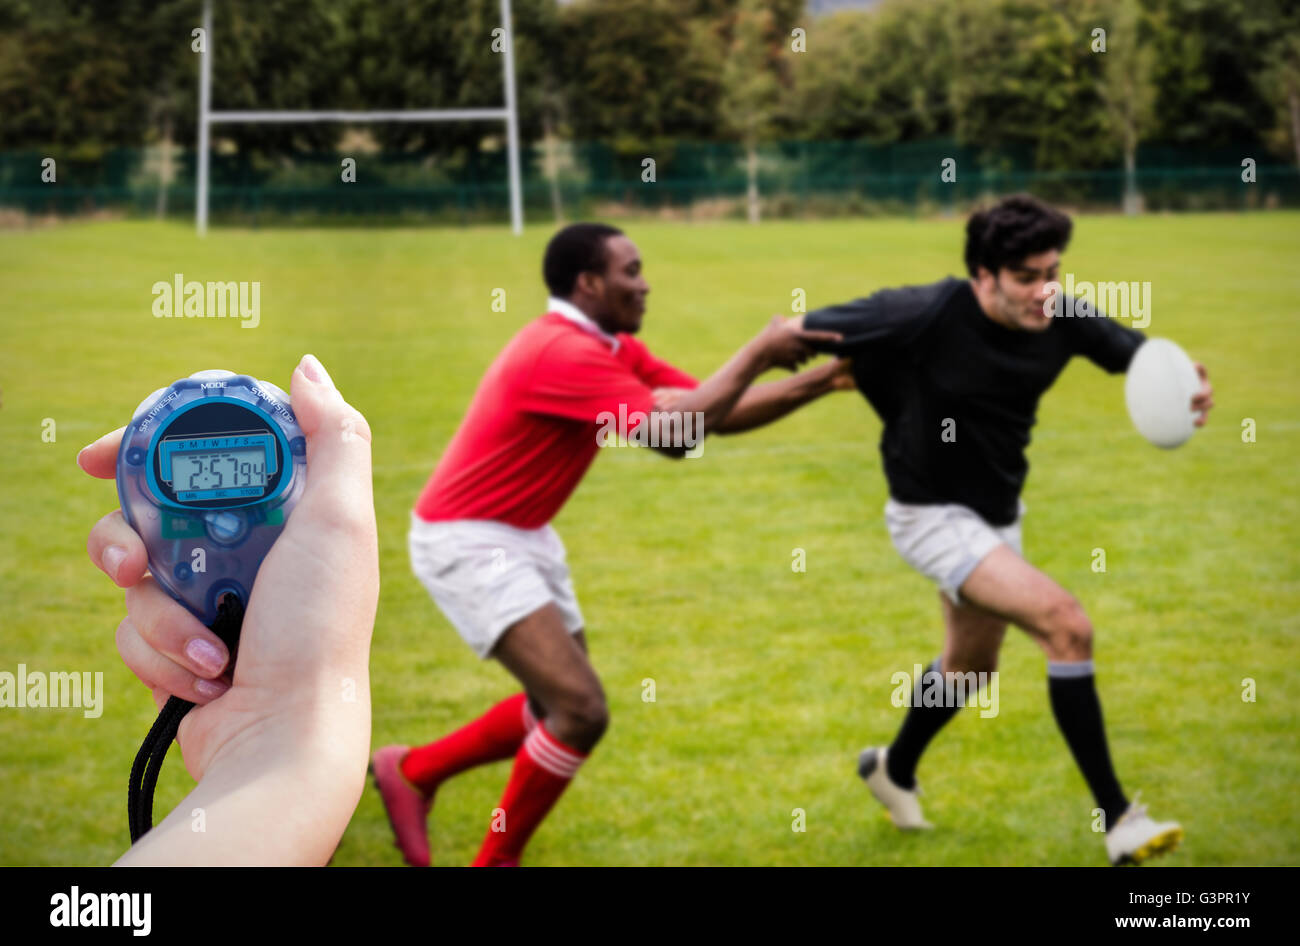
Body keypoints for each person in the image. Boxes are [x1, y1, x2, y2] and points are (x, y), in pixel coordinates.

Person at [374, 222, 851, 867]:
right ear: (588, 283)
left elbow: (711, 410)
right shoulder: (562, 353)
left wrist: (820, 381)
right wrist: (760, 350)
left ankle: (413, 772)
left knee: (557, 701)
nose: (644, 283)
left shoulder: (608, 346)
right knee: (580, 709)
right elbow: (676, 435)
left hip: (520, 532)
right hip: (469, 538)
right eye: (631, 270)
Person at [795, 195, 1214, 865]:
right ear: (983, 277)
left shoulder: (1062, 313)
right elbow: (794, 330)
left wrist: (1186, 379)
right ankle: (1120, 821)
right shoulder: (923, 310)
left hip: (995, 515)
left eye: (1053, 271)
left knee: (969, 666)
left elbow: (1140, 359)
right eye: (1026, 276)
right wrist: (706, 398)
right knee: (1066, 624)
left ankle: (892, 770)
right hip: (928, 515)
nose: (1045, 290)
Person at [80, 355, 379, 866]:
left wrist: (282, 727)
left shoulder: (157, 453)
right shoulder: (263, 448)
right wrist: (281, 737)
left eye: (236, 469)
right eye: (199, 471)